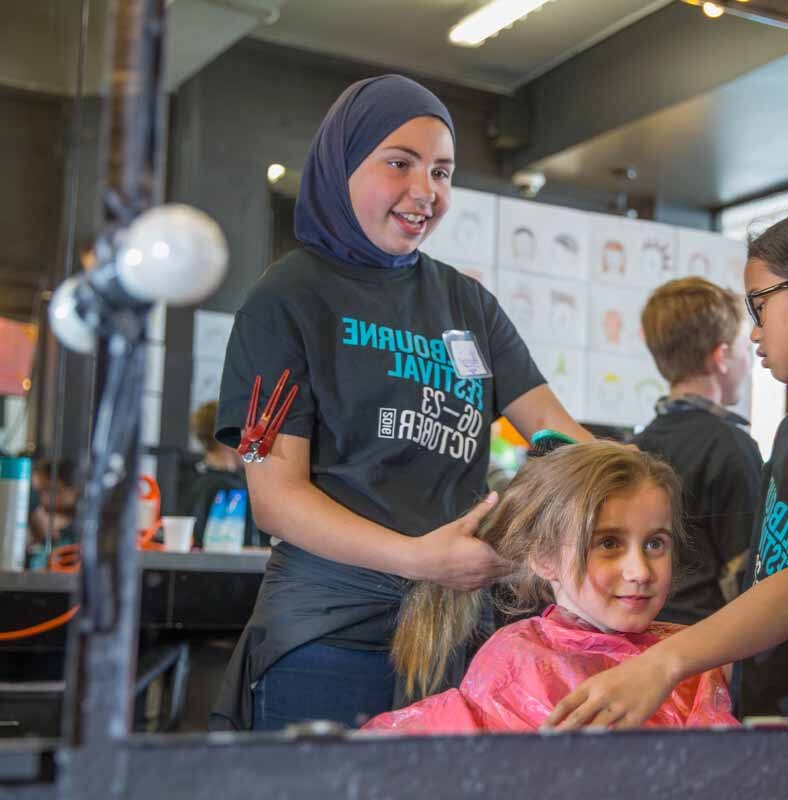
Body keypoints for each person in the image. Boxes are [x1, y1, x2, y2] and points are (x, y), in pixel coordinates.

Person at [209, 75, 591, 731]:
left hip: (451, 631)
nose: (425, 191)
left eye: (441, 172)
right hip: (329, 634)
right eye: (399, 164)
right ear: (342, 168)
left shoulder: (467, 305)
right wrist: (419, 559)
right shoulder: (285, 301)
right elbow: (275, 497)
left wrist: (617, 482)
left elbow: (555, 433)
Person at [545, 205, 788, 729]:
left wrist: (667, 662)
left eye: (761, 306)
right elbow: (764, 576)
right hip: (775, 709)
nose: (754, 334)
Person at [361, 442, 738, 733]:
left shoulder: (696, 654)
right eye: (608, 543)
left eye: (655, 543)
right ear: (544, 557)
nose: (640, 571)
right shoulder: (519, 662)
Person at [633, 277, 763, 624]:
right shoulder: (732, 446)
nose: (749, 362)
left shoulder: (637, 446)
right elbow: (750, 570)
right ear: (721, 357)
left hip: (645, 628)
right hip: (708, 637)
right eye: (744, 350)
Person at [180, 400, 258, 548]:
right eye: (245, 433)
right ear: (225, 438)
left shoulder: (193, 479)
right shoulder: (223, 487)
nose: (251, 441)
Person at [25, 458, 80, 571]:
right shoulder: (36, 516)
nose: (44, 499)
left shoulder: (82, 527)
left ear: (73, 490)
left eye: (51, 490)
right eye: (40, 492)